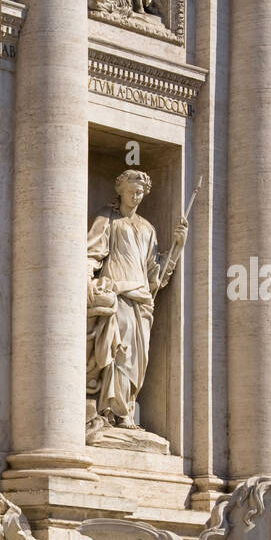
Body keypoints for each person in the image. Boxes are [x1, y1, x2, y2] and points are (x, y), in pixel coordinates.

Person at [86, 169, 186, 430]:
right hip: (118, 292)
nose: (136, 196)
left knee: (137, 360)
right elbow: (92, 252)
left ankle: (127, 408)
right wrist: (87, 277)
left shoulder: (147, 228)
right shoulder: (107, 219)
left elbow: (156, 274)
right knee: (119, 351)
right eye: (131, 191)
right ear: (120, 190)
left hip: (142, 299)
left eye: (140, 192)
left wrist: (177, 247)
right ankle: (110, 410)